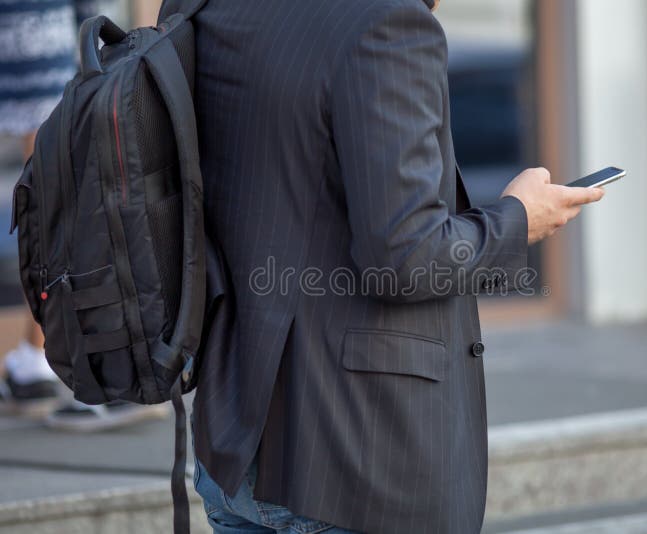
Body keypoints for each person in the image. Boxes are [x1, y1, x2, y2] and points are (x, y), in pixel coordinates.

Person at [190, 0, 604, 532]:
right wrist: (518, 220)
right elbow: (407, 257)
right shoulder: (386, 22)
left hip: (230, 443)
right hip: (356, 464)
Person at [0, 0, 167, 430]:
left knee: (50, 193)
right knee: (52, 191)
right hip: (53, 31)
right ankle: (44, 358)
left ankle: (48, 359)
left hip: (33, 31)